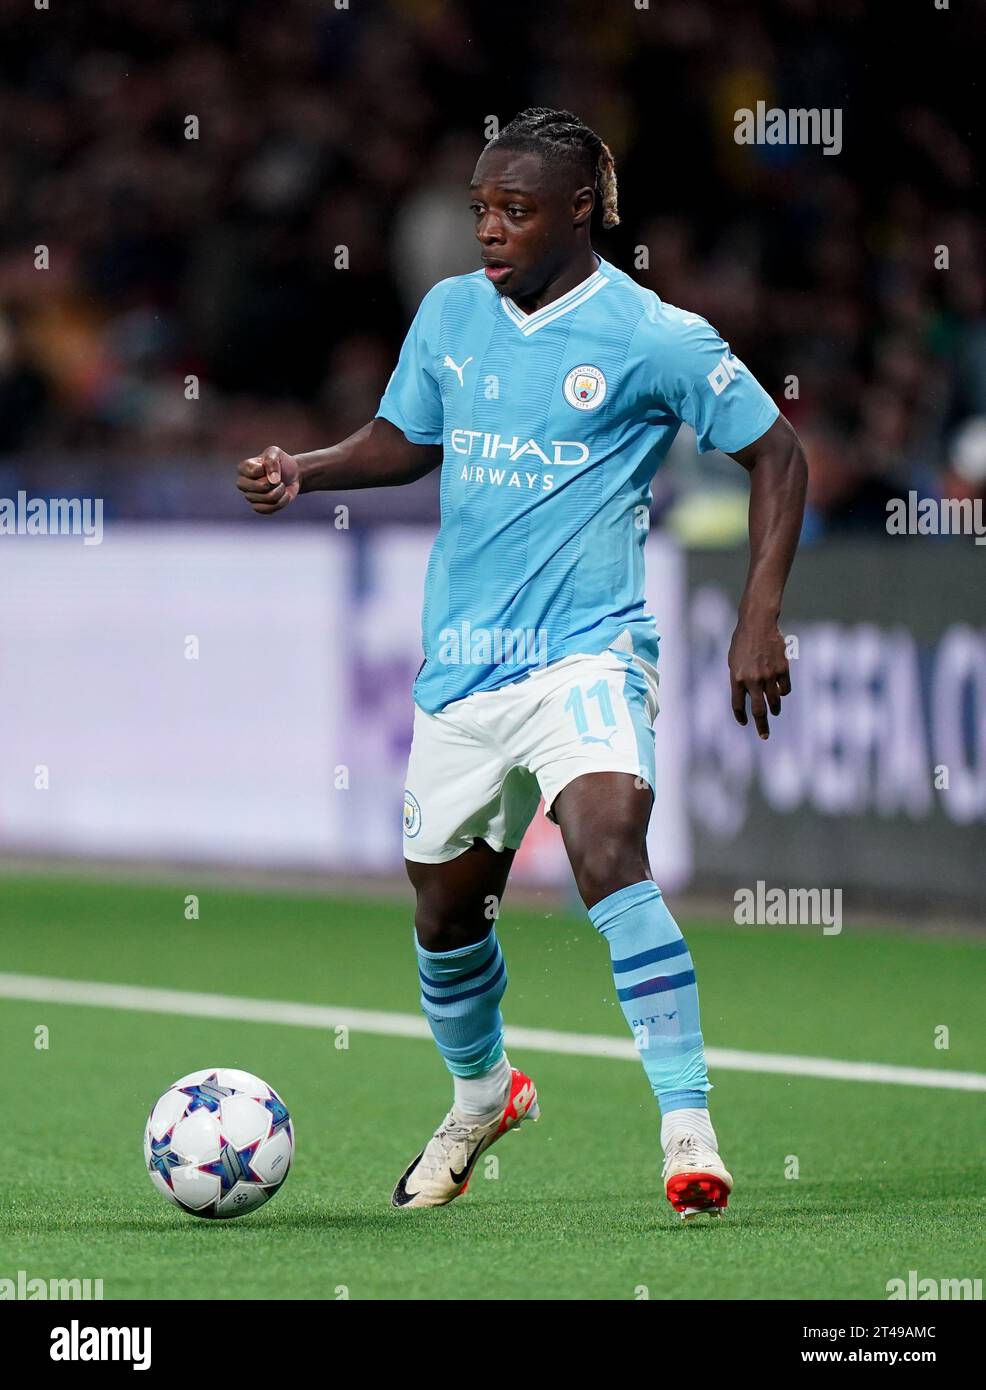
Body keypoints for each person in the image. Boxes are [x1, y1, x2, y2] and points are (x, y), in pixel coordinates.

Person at [236, 107, 807, 1220]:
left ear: (580, 209)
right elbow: (408, 440)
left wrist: (759, 615)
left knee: (607, 844)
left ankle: (686, 1127)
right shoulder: (452, 311)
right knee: (447, 917)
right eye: (480, 209)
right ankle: (483, 1093)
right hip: (462, 667)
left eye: (514, 209)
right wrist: (306, 468)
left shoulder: (653, 336)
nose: (488, 228)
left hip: (587, 653)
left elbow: (777, 454)